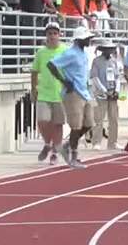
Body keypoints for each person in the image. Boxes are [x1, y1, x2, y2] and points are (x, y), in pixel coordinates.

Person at [47, 26, 95, 169]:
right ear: (79, 39)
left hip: (84, 92)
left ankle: (68, 145)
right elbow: (51, 64)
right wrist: (63, 80)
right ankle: (74, 157)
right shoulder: (71, 53)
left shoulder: (83, 53)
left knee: (89, 123)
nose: (89, 40)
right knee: (76, 126)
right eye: (87, 38)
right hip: (73, 94)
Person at [30, 21, 67, 165]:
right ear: (46, 36)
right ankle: (47, 143)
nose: (52, 36)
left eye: (55, 33)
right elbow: (34, 71)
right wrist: (33, 89)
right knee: (42, 121)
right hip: (44, 93)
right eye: (49, 34)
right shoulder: (41, 52)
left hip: (60, 94)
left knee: (58, 124)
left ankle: (55, 152)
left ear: (59, 35)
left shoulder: (65, 51)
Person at [89, 38, 122, 151]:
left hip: (112, 93)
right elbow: (94, 77)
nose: (109, 51)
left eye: (111, 49)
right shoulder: (96, 61)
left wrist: (116, 90)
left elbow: (118, 77)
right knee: (99, 119)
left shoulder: (115, 61)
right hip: (101, 94)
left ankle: (113, 142)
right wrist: (104, 91)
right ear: (103, 50)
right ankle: (96, 142)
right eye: (107, 49)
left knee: (114, 119)